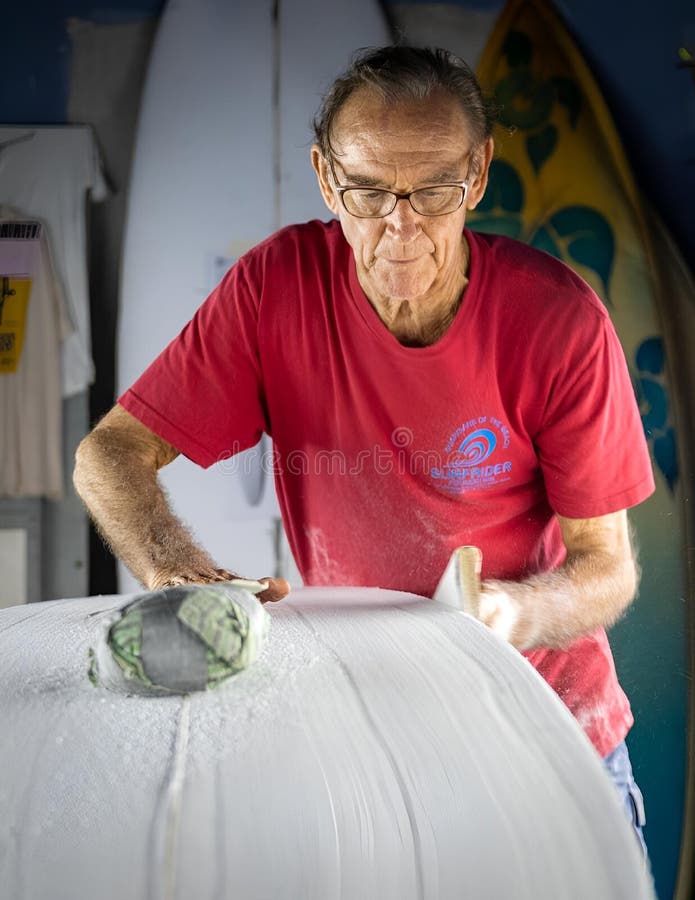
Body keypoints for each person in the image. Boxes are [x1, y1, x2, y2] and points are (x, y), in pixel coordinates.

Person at [73, 46, 654, 851]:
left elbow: (606, 566)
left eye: (435, 190)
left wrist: (517, 613)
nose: (401, 225)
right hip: (379, 730)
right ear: (323, 176)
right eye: (368, 191)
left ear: (478, 175)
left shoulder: (558, 323)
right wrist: (175, 566)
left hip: (552, 728)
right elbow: (108, 454)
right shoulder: (273, 290)